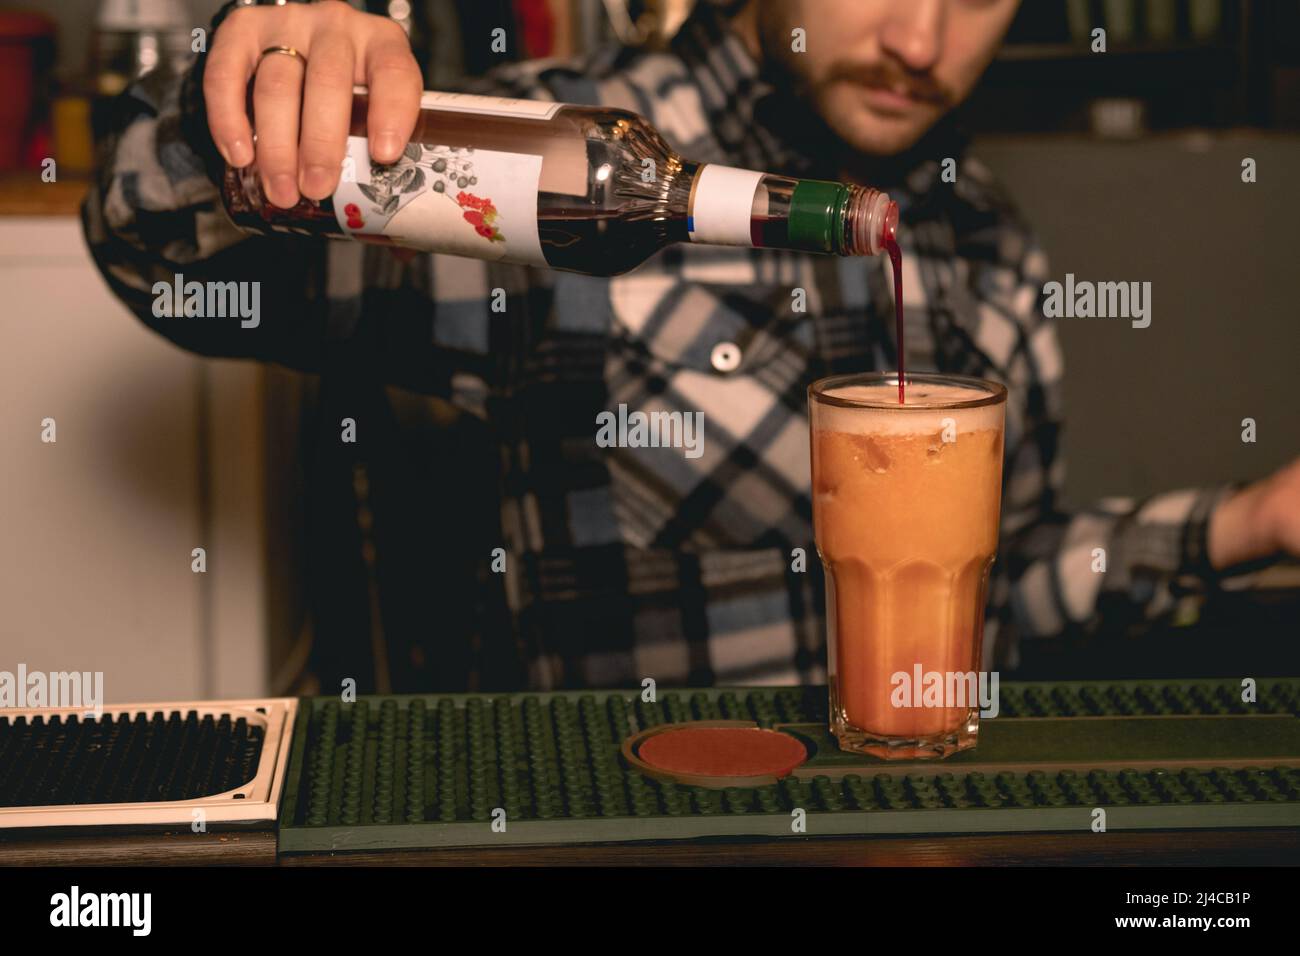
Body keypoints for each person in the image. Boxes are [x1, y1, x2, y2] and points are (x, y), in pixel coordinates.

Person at [83, 0, 1300, 692]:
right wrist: (231, 98)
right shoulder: (550, 161)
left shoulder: (985, 231)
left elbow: (1005, 584)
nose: (923, 42)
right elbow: (157, 254)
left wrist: (1250, 523)